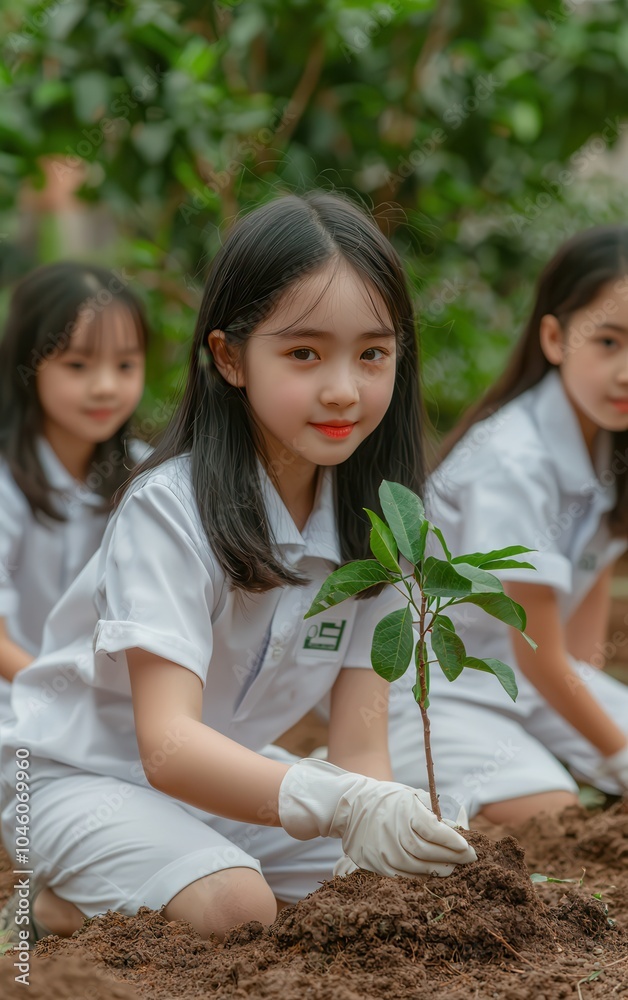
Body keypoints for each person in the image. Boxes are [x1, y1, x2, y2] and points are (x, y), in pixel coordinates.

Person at [0, 193, 476, 946]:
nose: (344, 389)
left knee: (395, 892)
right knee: (237, 909)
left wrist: (394, 816)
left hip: (222, 781)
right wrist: (342, 804)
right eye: (304, 353)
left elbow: (357, 746)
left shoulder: (389, 529)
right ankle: (45, 908)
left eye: (373, 353)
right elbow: (166, 746)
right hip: (73, 776)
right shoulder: (169, 510)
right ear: (229, 357)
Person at [387, 225, 628, 825]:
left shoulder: (604, 447)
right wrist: (618, 758)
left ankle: (544, 757)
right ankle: (371, 775)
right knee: (554, 813)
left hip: (529, 687)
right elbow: (539, 657)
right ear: (554, 337)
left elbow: (578, 648)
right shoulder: (513, 461)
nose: (626, 371)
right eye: (608, 342)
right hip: (446, 690)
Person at [0, 262, 148, 721]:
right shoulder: (6, 480)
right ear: (29, 361)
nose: (105, 387)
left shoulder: (148, 472)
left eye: (125, 364)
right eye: (78, 365)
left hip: (116, 710)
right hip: (18, 709)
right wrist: (63, 697)